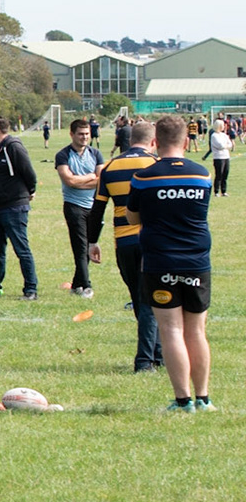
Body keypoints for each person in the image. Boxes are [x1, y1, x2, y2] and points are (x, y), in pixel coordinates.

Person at [125, 116, 214, 411]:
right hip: (197, 260)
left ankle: (182, 400)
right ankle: (203, 398)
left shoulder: (144, 178)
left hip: (160, 260)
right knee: (196, 331)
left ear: (155, 143)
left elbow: (132, 217)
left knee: (172, 331)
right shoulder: (202, 174)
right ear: (186, 142)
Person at [88, 119, 160, 372]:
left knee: (140, 300)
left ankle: (158, 354)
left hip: (124, 242)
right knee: (150, 300)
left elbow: (97, 210)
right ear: (153, 142)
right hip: (151, 240)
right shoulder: (155, 165)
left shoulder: (109, 167)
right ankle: (145, 360)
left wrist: (92, 242)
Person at [0, 114, 39, 300]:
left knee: (21, 249)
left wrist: (30, 191)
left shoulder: (13, 147)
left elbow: (29, 172)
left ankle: (31, 289)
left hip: (13, 207)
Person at [54, 118, 105, 298]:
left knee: (89, 245)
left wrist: (80, 180)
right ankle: (86, 285)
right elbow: (69, 181)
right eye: (81, 134)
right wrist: (90, 177)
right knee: (80, 247)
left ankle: (76, 284)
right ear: (72, 134)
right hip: (73, 206)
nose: (84, 138)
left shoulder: (96, 154)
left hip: (94, 207)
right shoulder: (63, 155)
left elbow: (101, 180)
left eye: (87, 134)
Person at [211, 119, 233, 197]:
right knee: (219, 174)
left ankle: (224, 191)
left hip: (226, 156)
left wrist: (225, 146)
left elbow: (230, 144)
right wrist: (225, 145)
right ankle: (216, 191)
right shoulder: (214, 135)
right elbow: (220, 145)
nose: (224, 126)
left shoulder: (224, 135)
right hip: (218, 157)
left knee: (225, 174)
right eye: (223, 125)